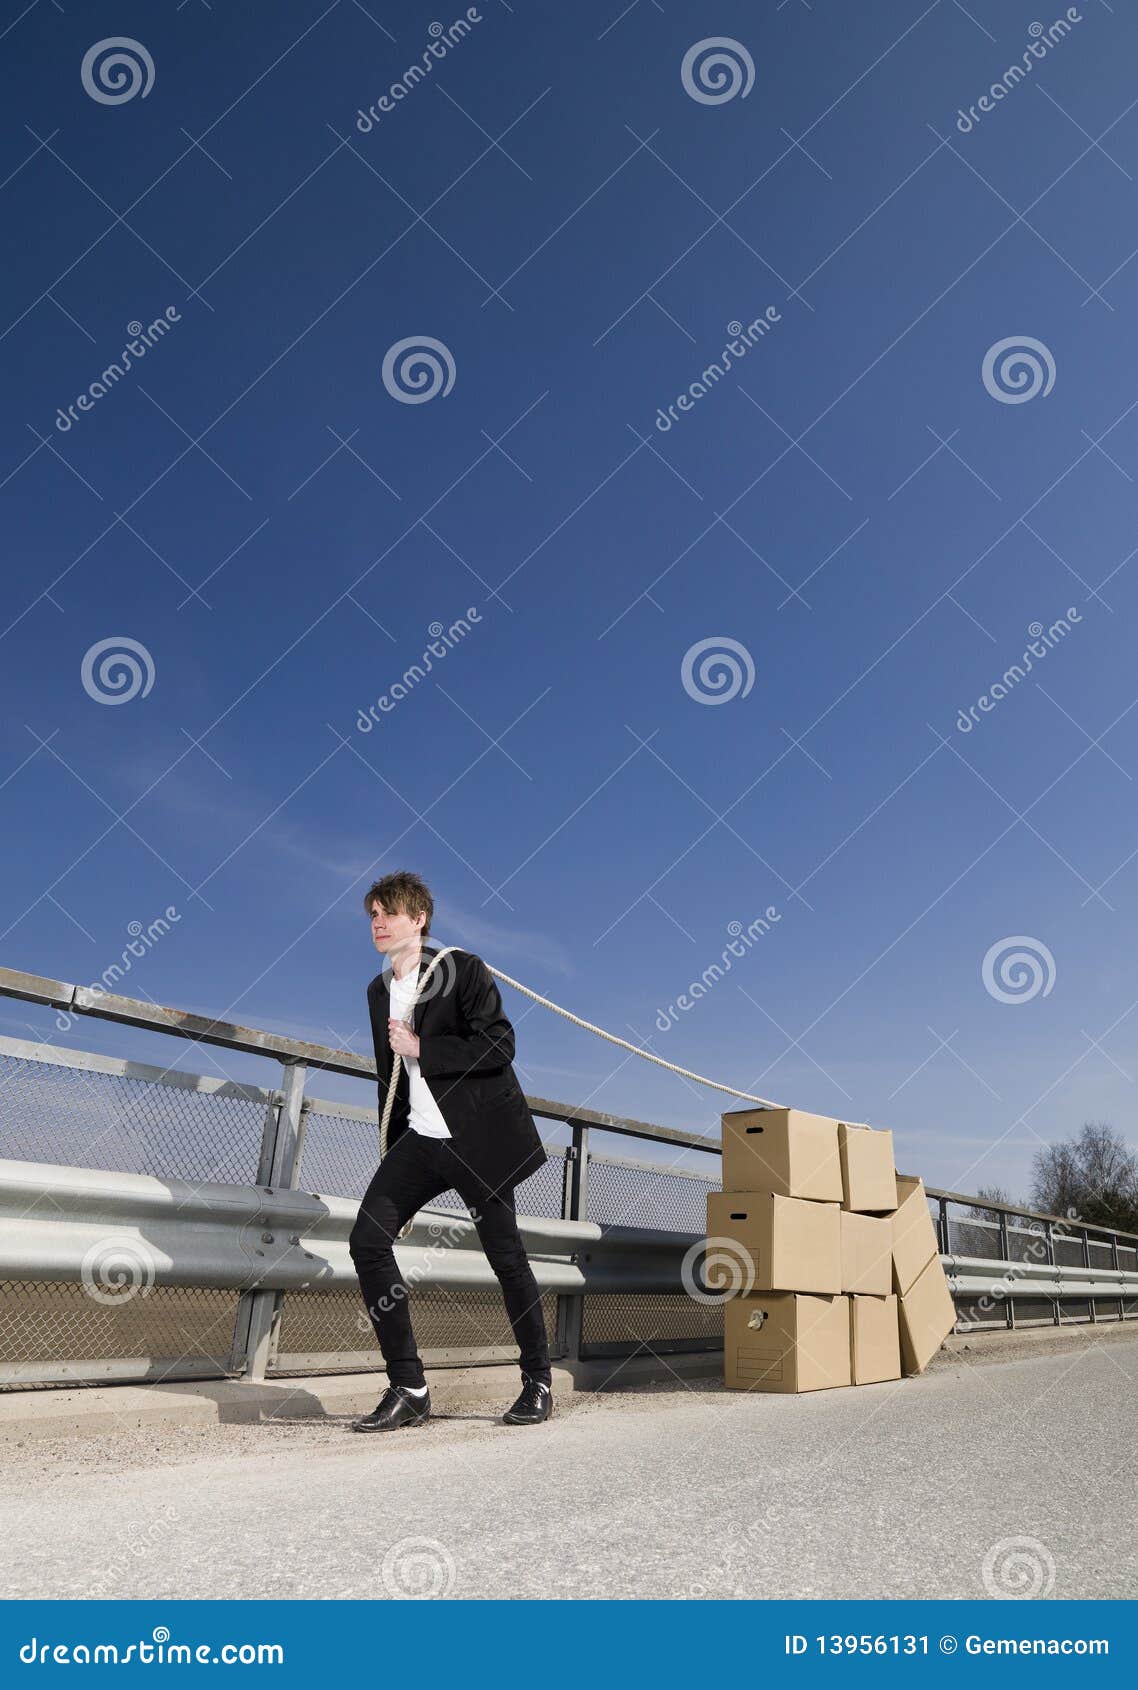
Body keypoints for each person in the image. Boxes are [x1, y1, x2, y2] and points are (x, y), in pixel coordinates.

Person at [348, 870, 554, 1430]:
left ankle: (537, 1381)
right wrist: (391, 1144)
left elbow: (500, 1044)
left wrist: (423, 1046)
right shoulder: (377, 991)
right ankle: (409, 1387)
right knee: (367, 1241)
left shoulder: (461, 969)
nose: (378, 923)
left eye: (389, 913)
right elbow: (390, 1077)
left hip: (476, 1141)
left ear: (419, 919)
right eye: (373, 915)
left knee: (506, 1259)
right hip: (419, 1139)